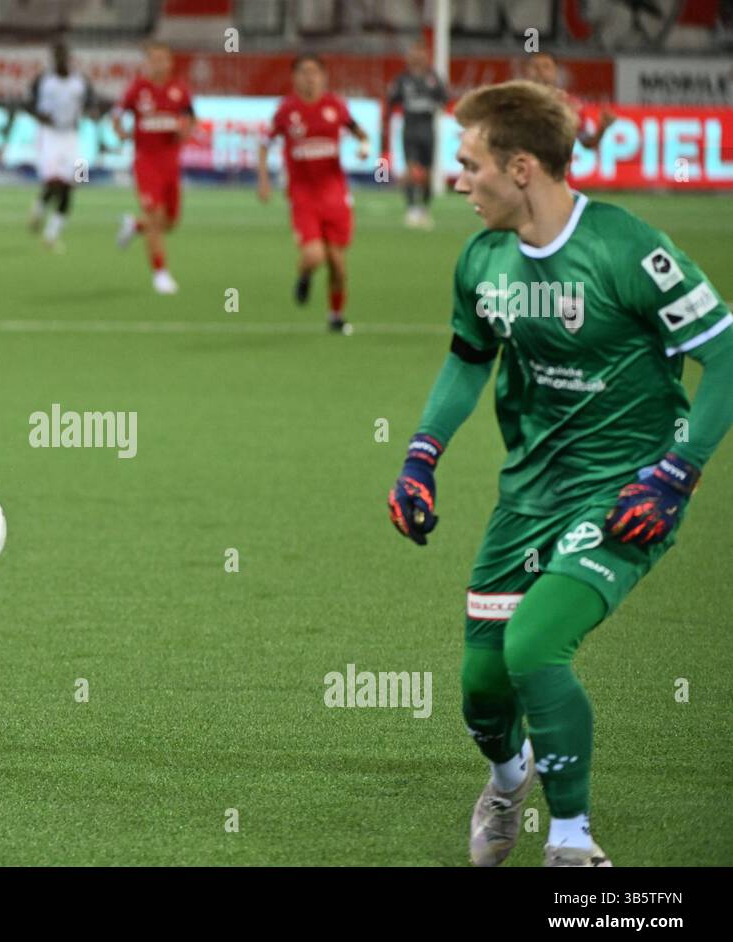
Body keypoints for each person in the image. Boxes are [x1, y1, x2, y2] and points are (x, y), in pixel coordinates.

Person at [388, 80, 733, 865]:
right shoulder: (482, 260)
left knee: (534, 645)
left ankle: (573, 841)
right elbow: (468, 359)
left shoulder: (627, 248)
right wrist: (421, 455)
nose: (457, 181)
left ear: (520, 168)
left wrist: (677, 474)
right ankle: (509, 778)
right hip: (530, 491)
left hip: (630, 487)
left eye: (470, 164)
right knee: (482, 688)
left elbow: (726, 353)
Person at [257, 54, 370, 334]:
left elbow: (361, 133)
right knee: (314, 256)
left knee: (338, 265)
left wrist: (364, 147)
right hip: (303, 195)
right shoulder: (286, 110)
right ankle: (305, 275)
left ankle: (336, 316)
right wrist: (264, 181)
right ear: (294, 77)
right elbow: (264, 144)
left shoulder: (335, 106)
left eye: (315, 72)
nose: (310, 78)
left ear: (323, 76)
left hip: (335, 194)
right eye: (304, 72)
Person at [112, 41, 195, 295]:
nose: (159, 64)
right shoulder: (138, 89)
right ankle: (160, 273)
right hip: (146, 162)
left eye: (163, 59)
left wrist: (185, 131)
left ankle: (134, 225)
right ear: (147, 63)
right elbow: (117, 113)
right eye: (154, 59)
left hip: (171, 164)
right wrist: (121, 132)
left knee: (170, 222)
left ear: (171, 62)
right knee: (155, 216)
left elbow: (190, 117)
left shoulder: (179, 89)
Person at [26, 42, 96, 252]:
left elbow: (91, 103)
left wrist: (92, 112)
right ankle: (39, 208)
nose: (61, 61)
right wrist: (40, 116)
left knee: (73, 183)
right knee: (54, 181)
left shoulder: (80, 82)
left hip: (72, 136)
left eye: (64, 56)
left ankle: (51, 234)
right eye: (58, 56)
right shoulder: (43, 81)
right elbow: (28, 103)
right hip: (48, 135)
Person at [385, 43, 448, 228]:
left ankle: (425, 208)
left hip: (427, 130)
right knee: (411, 169)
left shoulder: (433, 78)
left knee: (427, 172)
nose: (417, 58)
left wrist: (434, 106)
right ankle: (412, 208)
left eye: (420, 55)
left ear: (426, 57)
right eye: (414, 55)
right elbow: (391, 101)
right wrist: (387, 122)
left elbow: (444, 98)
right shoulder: (402, 79)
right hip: (410, 130)